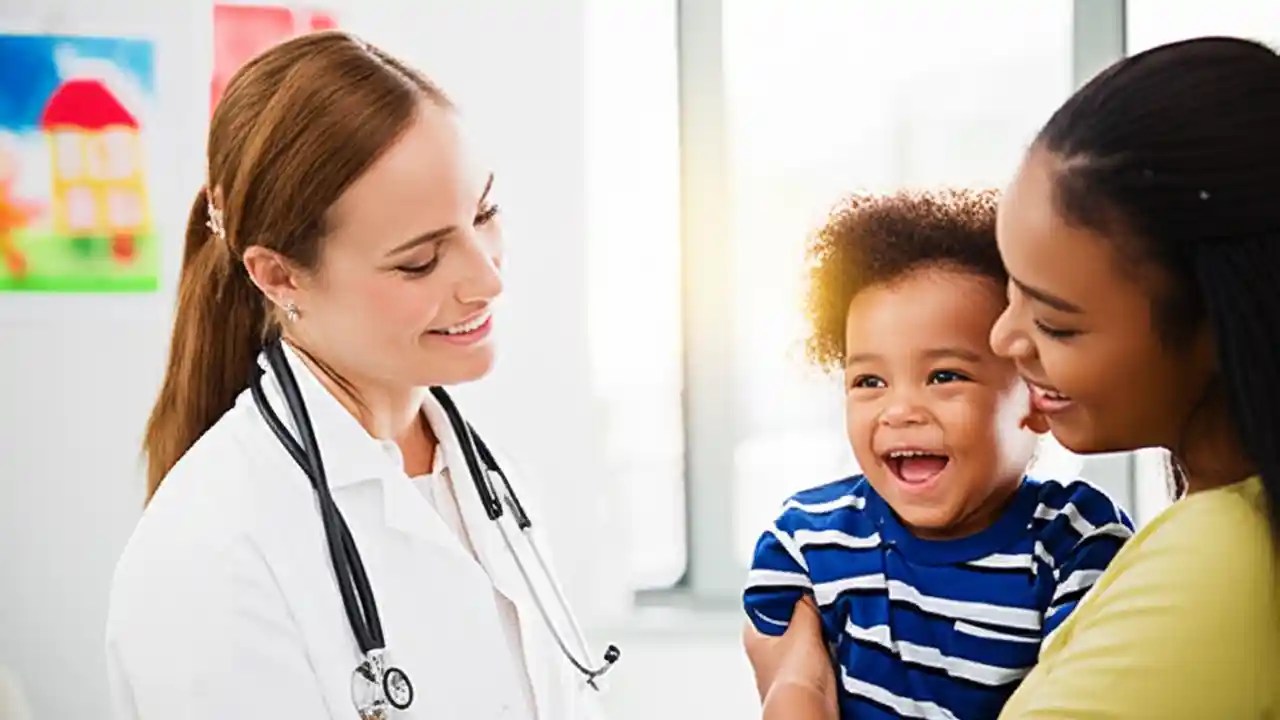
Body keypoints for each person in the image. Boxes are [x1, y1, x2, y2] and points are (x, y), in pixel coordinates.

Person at [105, 31, 608, 719]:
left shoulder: (497, 485)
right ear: (279, 275)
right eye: (419, 261)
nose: (487, 279)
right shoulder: (207, 554)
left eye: (483, 213)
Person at [741, 190, 1132, 719]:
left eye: (944, 376)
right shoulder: (808, 539)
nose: (899, 410)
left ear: (1037, 397)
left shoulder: (1075, 544)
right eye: (868, 380)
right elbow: (795, 687)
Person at [987, 35, 1280, 717]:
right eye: (1011, 288)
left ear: (1223, 325)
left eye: (1056, 324)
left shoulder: (1220, 562)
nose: (1004, 338)